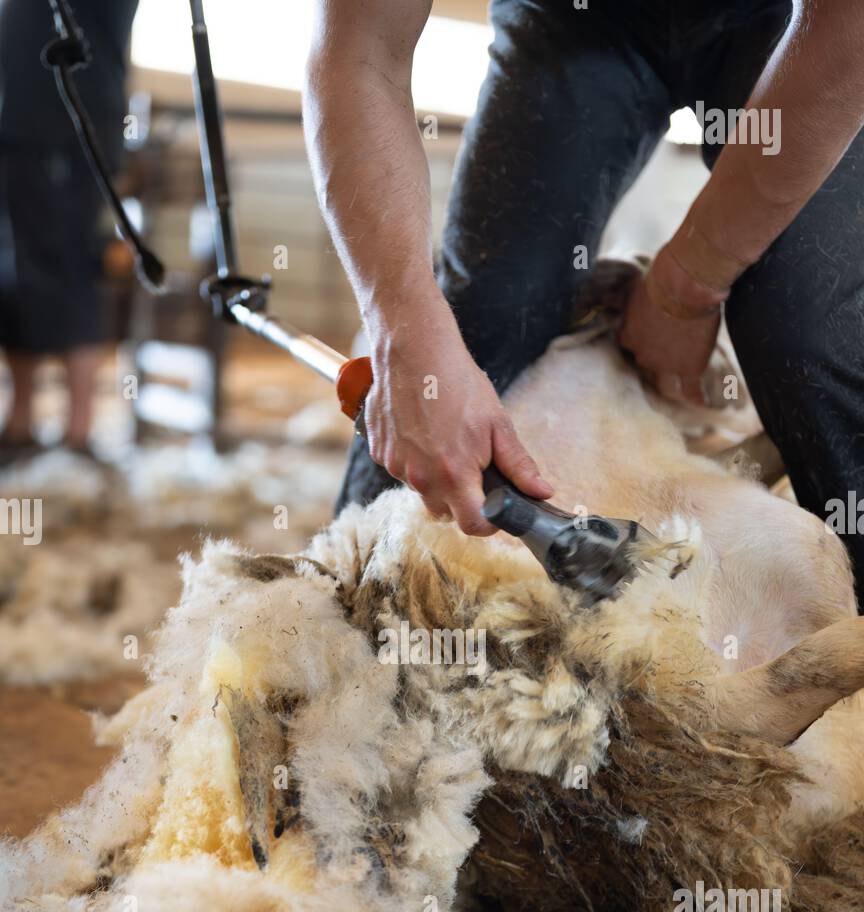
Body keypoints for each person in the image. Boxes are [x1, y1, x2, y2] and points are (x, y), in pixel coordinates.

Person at [304, 0, 864, 599]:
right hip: (574, 18)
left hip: (793, 22)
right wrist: (403, 330)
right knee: (485, 313)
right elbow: (362, 55)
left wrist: (687, 284)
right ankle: (339, 615)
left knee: (806, 333)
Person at [0, 0, 139, 463]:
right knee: (16, 266)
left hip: (72, 118)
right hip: (17, 117)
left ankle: (79, 430)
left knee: (73, 266)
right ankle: (20, 421)